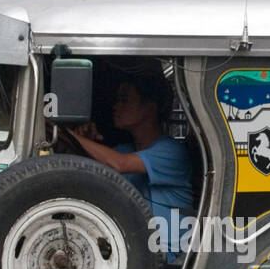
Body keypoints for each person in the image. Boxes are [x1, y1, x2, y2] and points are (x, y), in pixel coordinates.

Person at [67, 73, 193, 258]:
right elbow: (92, 171)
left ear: (150, 107)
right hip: (139, 252)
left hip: (167, 258)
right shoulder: (125, 149)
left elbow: (119, 164)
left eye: (124, 100)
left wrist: (68, 134)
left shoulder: (171, 151)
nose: (116, 106)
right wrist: (84, 142)